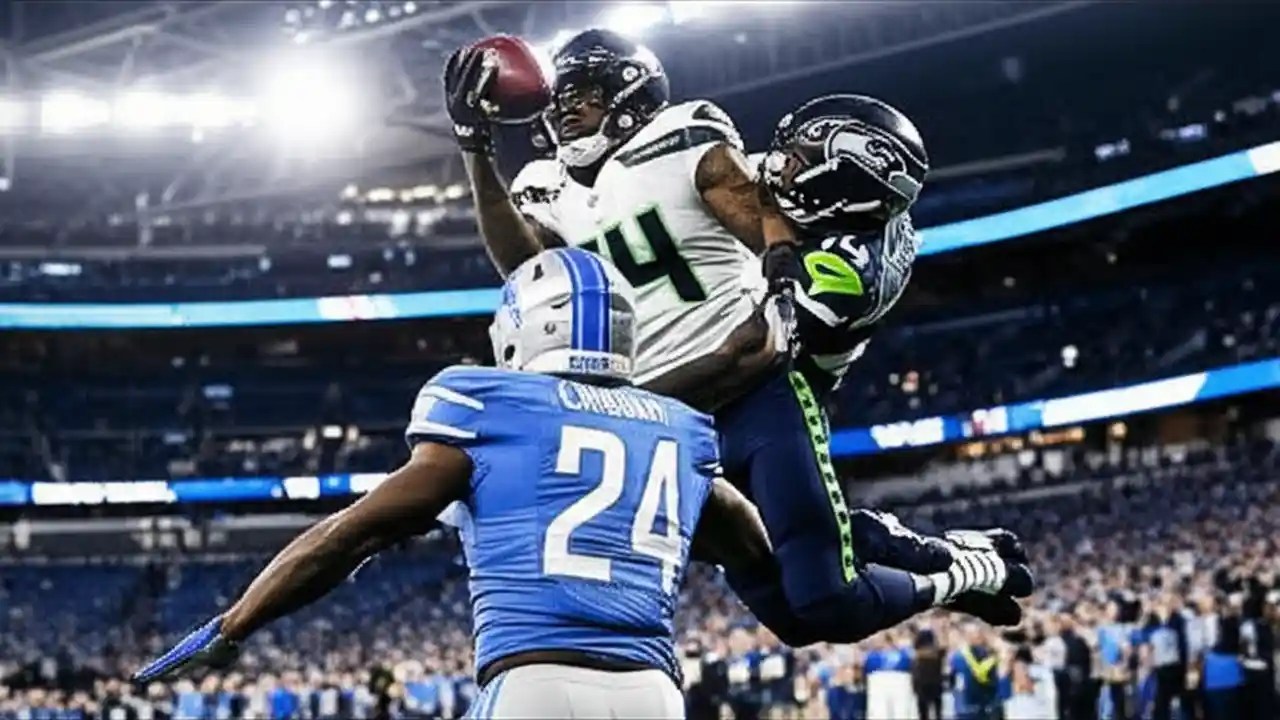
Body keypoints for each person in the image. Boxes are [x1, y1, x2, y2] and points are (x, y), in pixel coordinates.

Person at [128, 248, 1031, 718]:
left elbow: (352, 535)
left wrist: (234, 624)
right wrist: (937, 571)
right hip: (652, 694)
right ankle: (965, 570)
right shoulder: (677, 430)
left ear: (525, 327)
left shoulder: (483, 402)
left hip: (534, 683)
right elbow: (775, 568)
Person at [443, 29, 1029, 634]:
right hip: (662, 417)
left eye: (584, 92)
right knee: (793, 622)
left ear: (630, 93)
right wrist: (475, 148)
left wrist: (782, 275)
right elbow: (530, 270)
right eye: (559, 96)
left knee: (825, 598)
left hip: (752, 392)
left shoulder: (682, 135)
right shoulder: (545, 182)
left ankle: (964, 571)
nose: (566, 108)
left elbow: (765, 222)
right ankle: (897, 543)